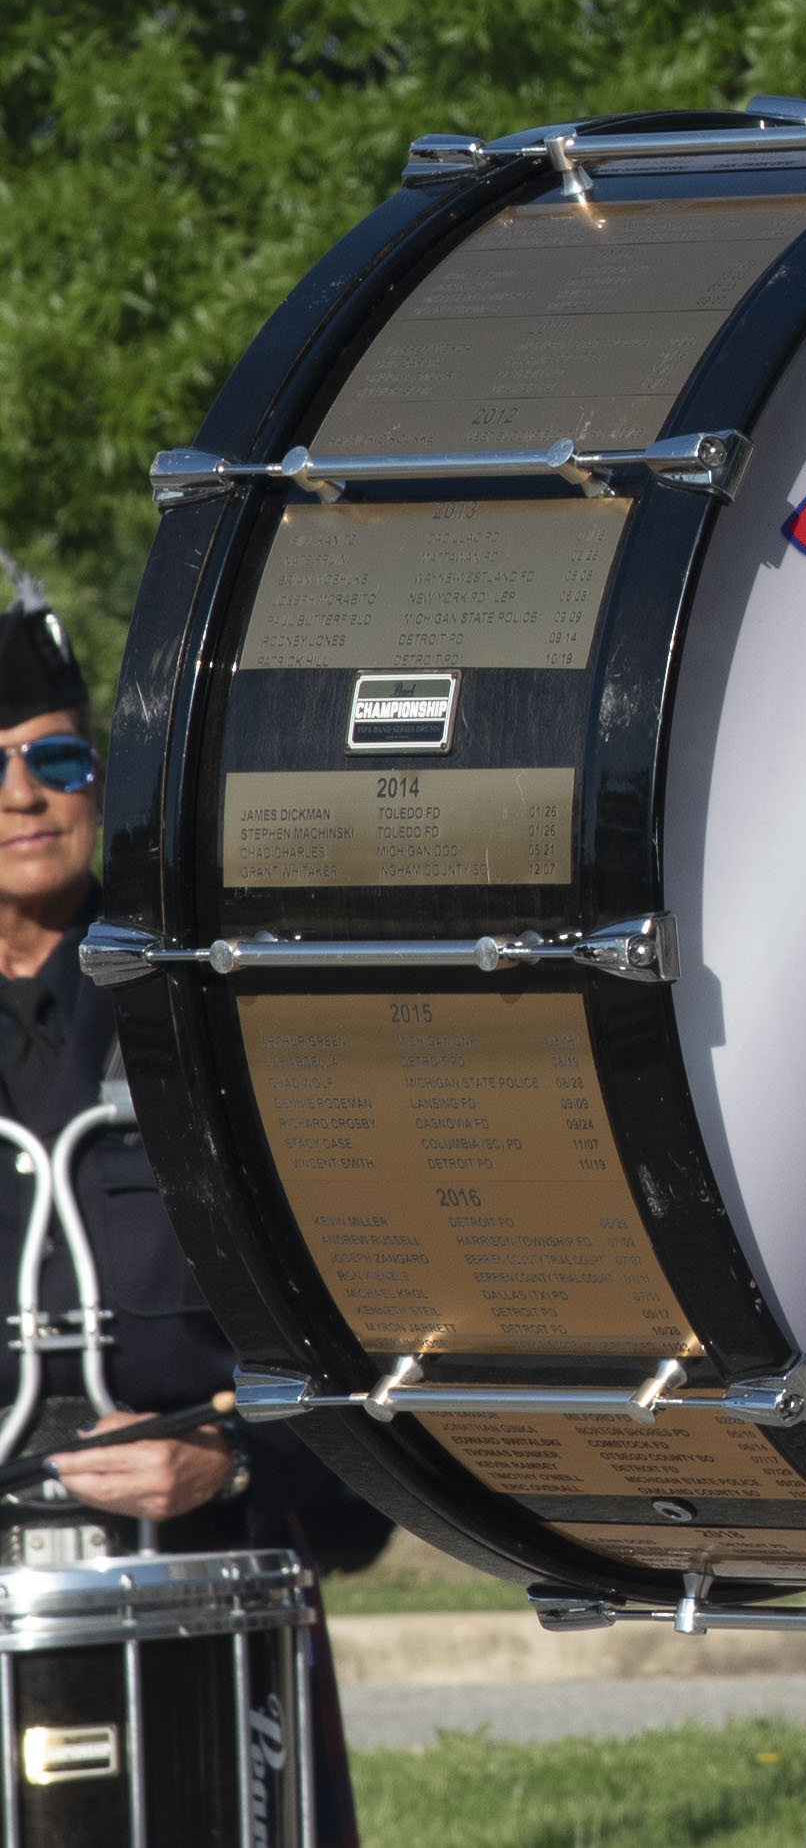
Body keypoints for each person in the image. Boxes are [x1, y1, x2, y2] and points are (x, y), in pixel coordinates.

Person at [0, 564, 371, 1845]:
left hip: (209, 1592)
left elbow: (357, 1351)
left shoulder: (215, 1011)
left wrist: (234, 1455)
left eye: (55, 755)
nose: (21, 793)